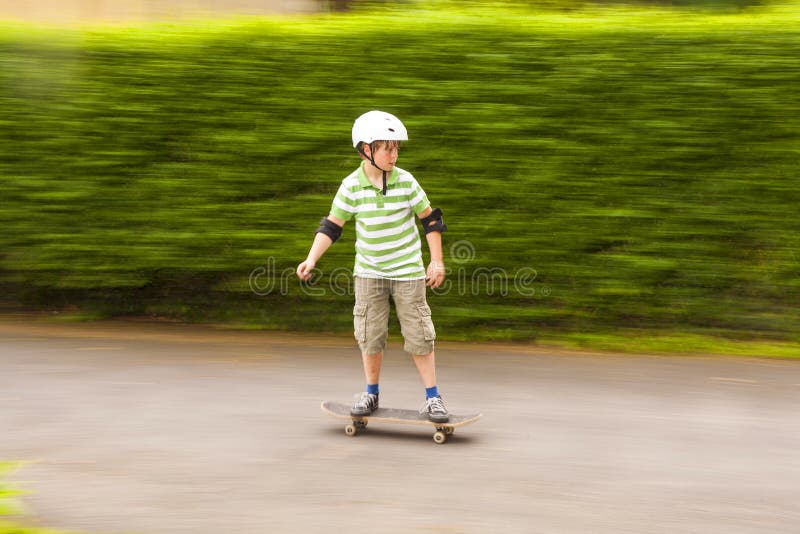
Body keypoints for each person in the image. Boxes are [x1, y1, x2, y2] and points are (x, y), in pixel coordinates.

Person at [296, 110, 450, 423]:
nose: (394, 154)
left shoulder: (406, 181)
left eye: (396, 148)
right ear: (366, 149)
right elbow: (331, 227)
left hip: (407, 271)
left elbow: (431, 219)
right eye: (387, 148)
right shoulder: (351, 186)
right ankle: (371, 394)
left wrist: (436, 261)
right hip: (368, 273)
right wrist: (311, 258)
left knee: (420, 334)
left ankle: (433, 398)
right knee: (369, 334)